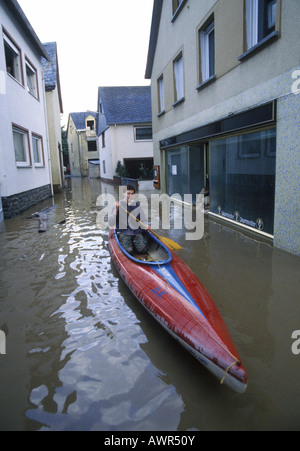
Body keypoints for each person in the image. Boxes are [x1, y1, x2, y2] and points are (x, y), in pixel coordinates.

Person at [109, 185, 151, 255]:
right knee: (129, 251)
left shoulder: (137, 205)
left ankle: (140, 242)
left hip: (136, 231)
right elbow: (111, 222)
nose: (130, 196)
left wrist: (146, 225)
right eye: (128, 193)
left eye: (132, 194)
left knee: (143, 250)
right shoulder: (118, 205)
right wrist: (116, 209)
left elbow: (143, 219)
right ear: (123, 194)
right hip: (124, 232)